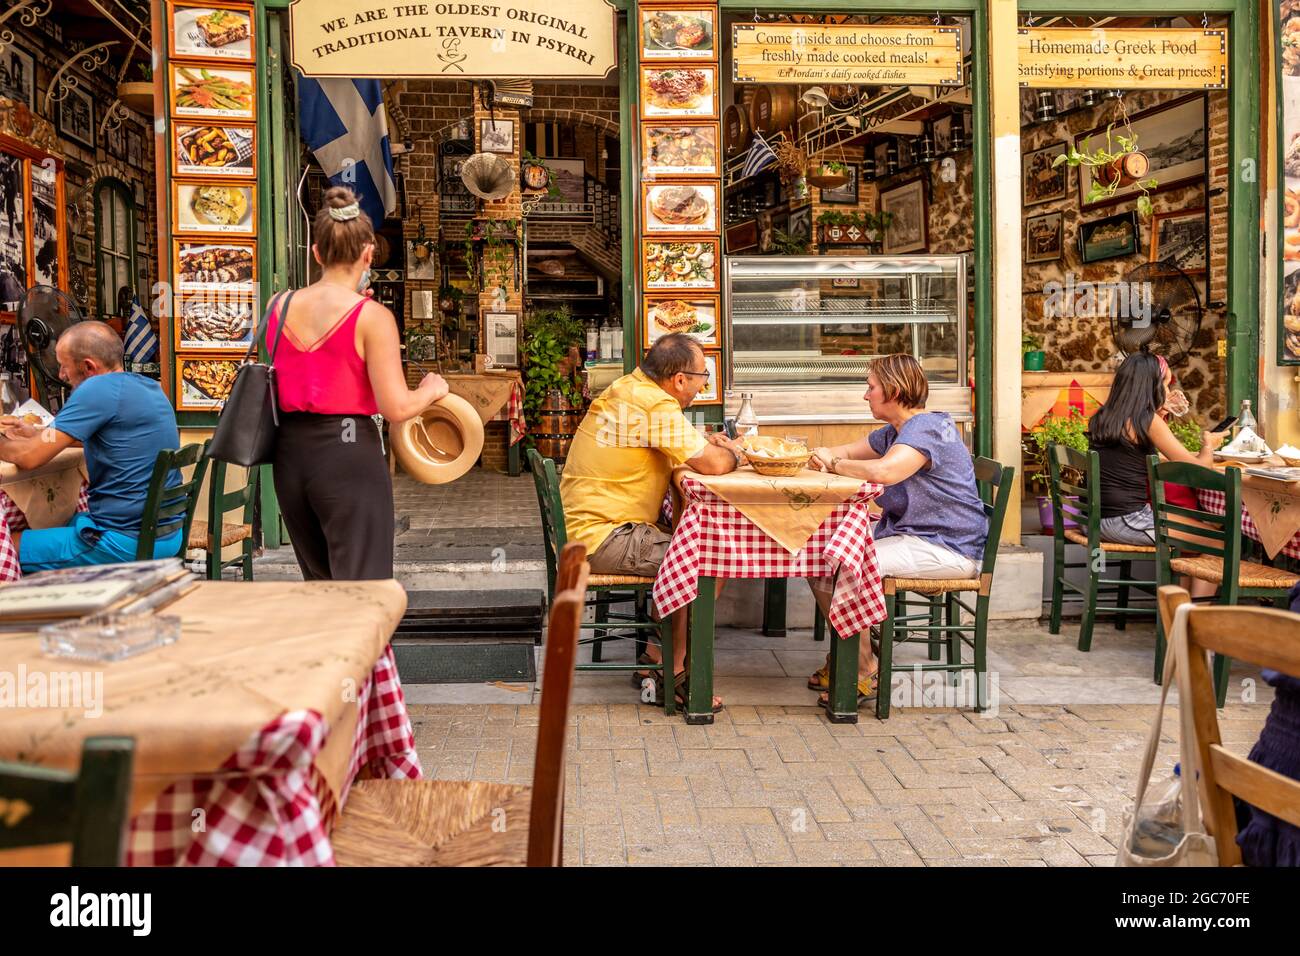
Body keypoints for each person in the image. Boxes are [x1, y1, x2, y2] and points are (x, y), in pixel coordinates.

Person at [268, 186, 448, 580]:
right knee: (365, 588)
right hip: (347, 453)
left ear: (316, 252)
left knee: (321, 584)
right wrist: (431, 390)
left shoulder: (277, 307)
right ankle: (367, 646)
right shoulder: (373, 317)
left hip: (289, 454)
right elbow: (396, 407)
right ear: (369, 254)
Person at [560, 333, 741, 710]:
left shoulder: (629, 388)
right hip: (604, 536)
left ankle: (655, 657)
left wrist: (706, 444)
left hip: (590, 528)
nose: (701, 386)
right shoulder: (653, 404)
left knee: (684, 545)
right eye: (701, 378)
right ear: (679, 380)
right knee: (709, 561)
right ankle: (675, 675)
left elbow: (677, 445)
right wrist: (735, 453)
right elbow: (711, 464)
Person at [805, 353, 989, 708]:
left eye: (870, 387)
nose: (865, 395)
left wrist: (836, 463)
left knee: (845, 564)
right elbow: (844, 452)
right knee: (818, 557)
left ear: (893, 389)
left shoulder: (928, 428)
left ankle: (862, 669)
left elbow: (885, 472)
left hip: (948, 548)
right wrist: (823, 454)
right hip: (915, 536)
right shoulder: (896, 431)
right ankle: (853, 654)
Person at [0, 321, 182, 570]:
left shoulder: (96, 390)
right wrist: (39, 433)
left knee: (7, 546)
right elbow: (106, 436)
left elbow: (30, 458)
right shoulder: (148, 386)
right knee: (60, 520)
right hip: (165, 534)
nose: (62, 375)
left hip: (125, 541)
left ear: (88, 367)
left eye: (64, 366)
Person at [1087, 351, 1227, 597]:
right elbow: (1197, 472)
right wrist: (1209, 446)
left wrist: (1161, 413)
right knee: (1217, 542)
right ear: (1149, 385)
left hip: (1103, 519)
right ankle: (1193, 623)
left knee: (1193, 544)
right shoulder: (1146, 419)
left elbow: (1141, 458)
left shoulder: (1105, 416)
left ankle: (1181, 616)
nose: (1167, 389)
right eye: (1164, 383)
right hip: (1128, 520)